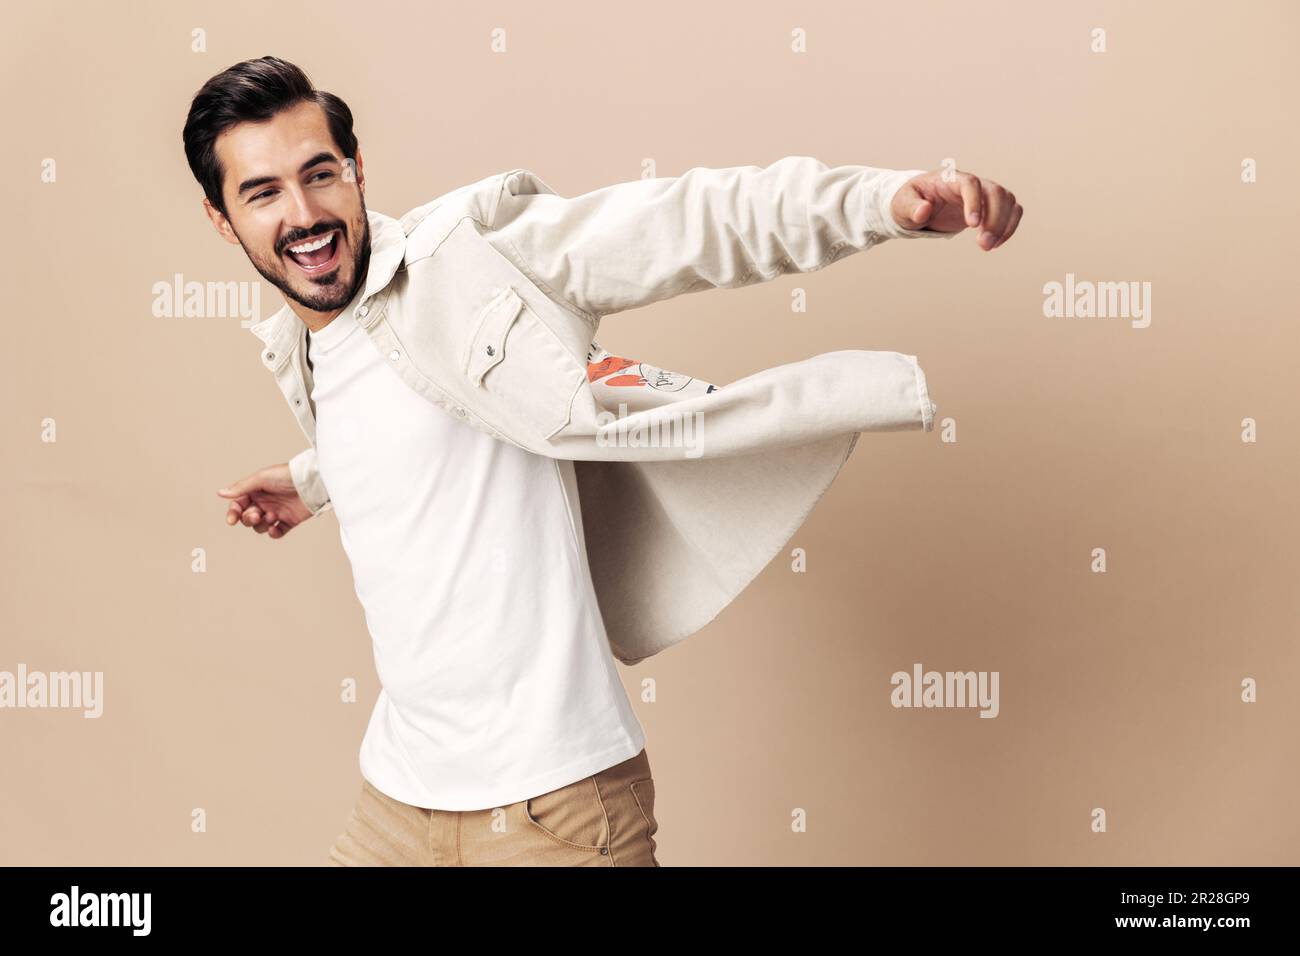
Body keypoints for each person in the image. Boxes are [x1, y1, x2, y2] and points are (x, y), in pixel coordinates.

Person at [182, 56, 1021, 867]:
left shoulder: (474, 258)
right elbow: (421, 409)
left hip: (557, 812)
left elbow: (684, 223)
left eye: (320, 173)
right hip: (397, 802)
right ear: (224, 221)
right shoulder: (304, 344)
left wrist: (876, 203)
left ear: (358, 169)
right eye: (263, 193)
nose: (304, 212)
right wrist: (311, 480)